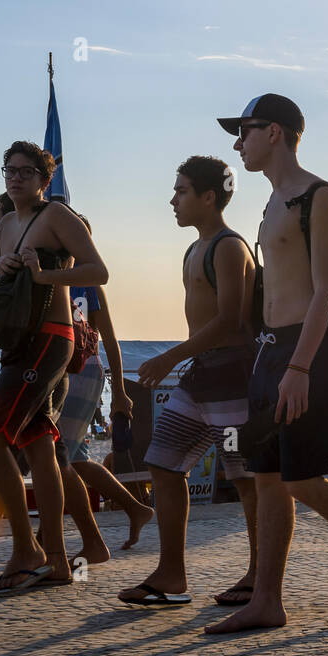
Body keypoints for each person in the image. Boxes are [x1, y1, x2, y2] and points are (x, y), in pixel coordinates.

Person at [204, 94, 328, 634]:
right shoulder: (270, 205)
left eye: (246, 130)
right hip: (269, 350)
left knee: (302, 479)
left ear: (278, 133)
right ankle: (267, 600)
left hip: (302, 352)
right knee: (268, 477)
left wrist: (301, 367)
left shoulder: (319, 197)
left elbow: (326, 292)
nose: (238, 143)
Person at [0, 194, 113, 587]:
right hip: (35, 355)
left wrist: (124, 394)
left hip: (44, 355)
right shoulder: (10, 243)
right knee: (46, 455)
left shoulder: (49, 236)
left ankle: (25, 551)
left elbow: (99, 286)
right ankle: (55, 559)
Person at [118, 155, 261, 608]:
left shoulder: (228, 247)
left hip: (234, 377)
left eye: (181, 191)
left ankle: (260, 576)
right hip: (201, 377)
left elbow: (230, 321)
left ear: (208, 196)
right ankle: (172, 574)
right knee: (163, 463)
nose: (173, 200)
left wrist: (170, 357)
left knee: (246, 478)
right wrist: (181, 360)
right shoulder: (193, 249)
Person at [0, 143, 108, 593]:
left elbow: (98, 271)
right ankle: (60, 561)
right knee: (40, 445)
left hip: (50, 338)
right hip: (17, 340)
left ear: (44, 180)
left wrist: (45, 274)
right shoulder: (8, 222)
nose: (16, 178)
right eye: (9, 171)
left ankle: (28, 549)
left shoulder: (56, 217)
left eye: (27, 172)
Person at [59, 213, 157, 554]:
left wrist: (118, 394)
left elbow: (110, 341)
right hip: (66, 374)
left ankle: (50, 542)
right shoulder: (56, 276)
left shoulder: (86, 282)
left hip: (80, 373)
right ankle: (134, 509)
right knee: (76, 459)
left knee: (56, 457)